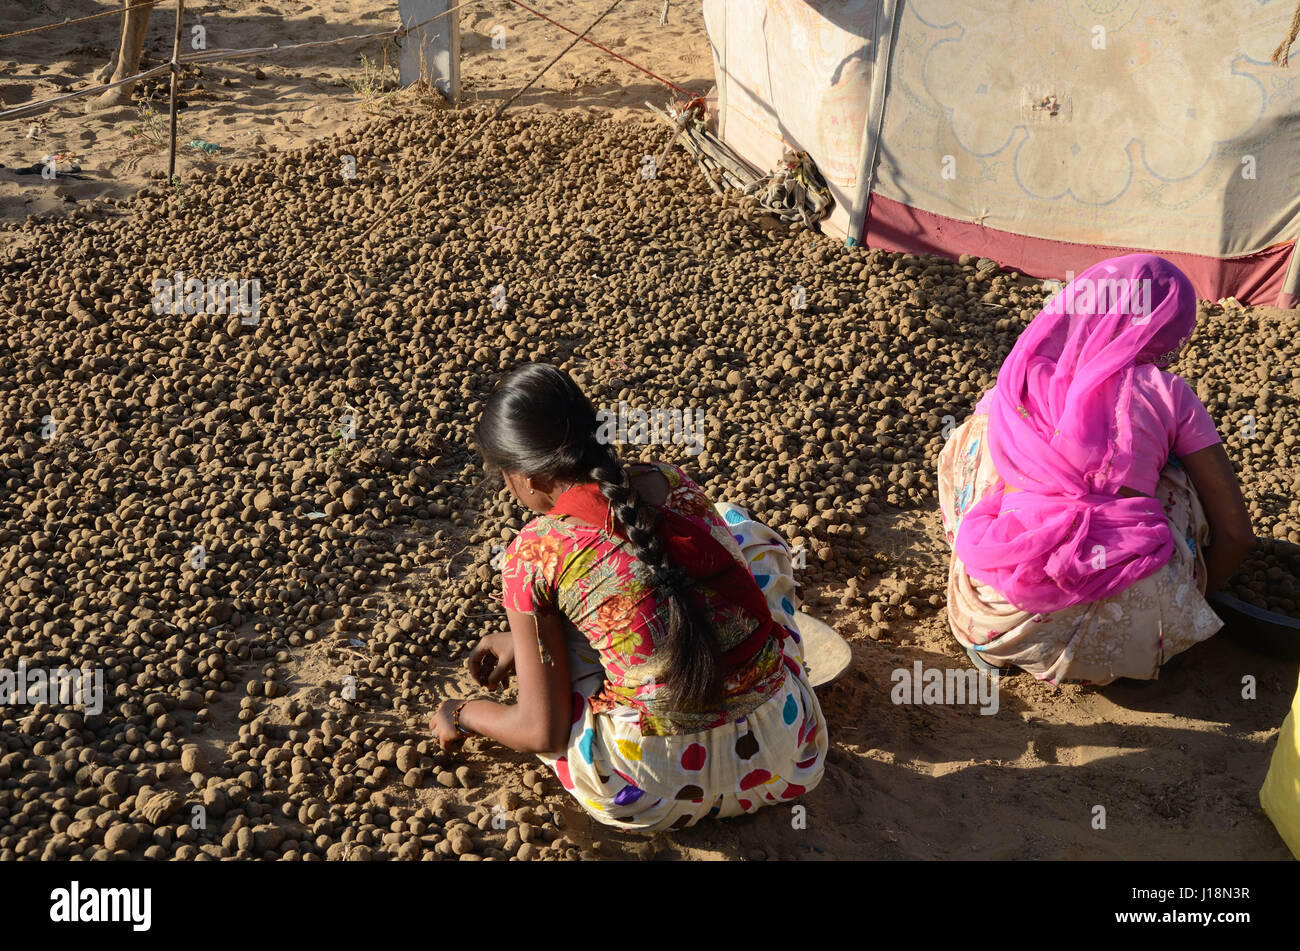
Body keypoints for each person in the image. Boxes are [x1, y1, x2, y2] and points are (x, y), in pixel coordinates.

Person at [430, 363, 827, 831]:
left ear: (526, 478)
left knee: (566, 641)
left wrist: (460, 712)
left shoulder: (534, 553)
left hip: (648, 797)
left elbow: (542, 731)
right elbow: (655, 581)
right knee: (741, 530)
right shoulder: (669, 482)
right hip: (789, 759)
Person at [937, 254, 1254, 685]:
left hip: (994, 622)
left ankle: (993, 585)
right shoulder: (1168, 392)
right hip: (1134, 634)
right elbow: (1236, 533)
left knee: (981, 437)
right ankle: (1150, 625)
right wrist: (1188, 606)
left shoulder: (1020, 382)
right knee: (1178, 480)